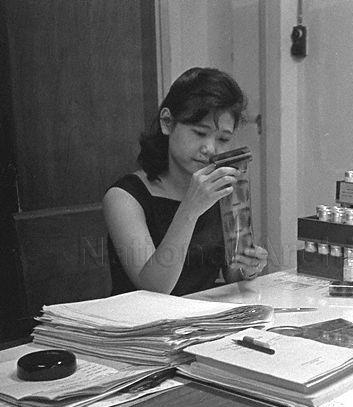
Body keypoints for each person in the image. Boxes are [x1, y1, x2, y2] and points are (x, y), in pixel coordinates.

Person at [104, 67, 268, 296]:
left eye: (223, 139)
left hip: (201, 322)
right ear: (167, 122)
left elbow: (231, 274)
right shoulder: (124, 197)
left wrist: (248, 268)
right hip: (142, 326)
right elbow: (154, 289)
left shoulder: (220, 188)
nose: (209, 148)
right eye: (200, 133)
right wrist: (190, 209)